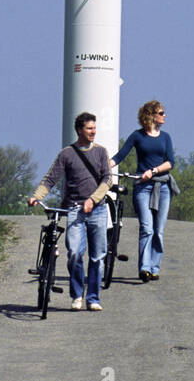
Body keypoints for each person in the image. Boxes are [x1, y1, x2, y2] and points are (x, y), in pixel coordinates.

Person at [29, 113, 111, 311]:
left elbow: (107, 180)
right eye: (89, 128)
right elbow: (50, 179)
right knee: (74, 252)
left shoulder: (101, 152)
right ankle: (76, 295)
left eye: (94, 128)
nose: (93, 131)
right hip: (75, 209)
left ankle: (93, 298)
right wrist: (36, 196)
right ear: (79, 130)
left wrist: (93, 199)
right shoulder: (67, 154)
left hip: (98, 210)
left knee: (97, 257)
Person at [111, 101, 175, 282]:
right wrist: (104, 165)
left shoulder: (166, 137)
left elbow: (170, 162)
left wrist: (153, 171)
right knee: (146, 228)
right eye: (161, 113)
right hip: (142, 187)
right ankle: (144, 268)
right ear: (151, 115)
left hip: (162, 186)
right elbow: (120, 155)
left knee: (158, 230)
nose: (164, 116)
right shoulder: (138, 136)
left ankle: (154, 267)